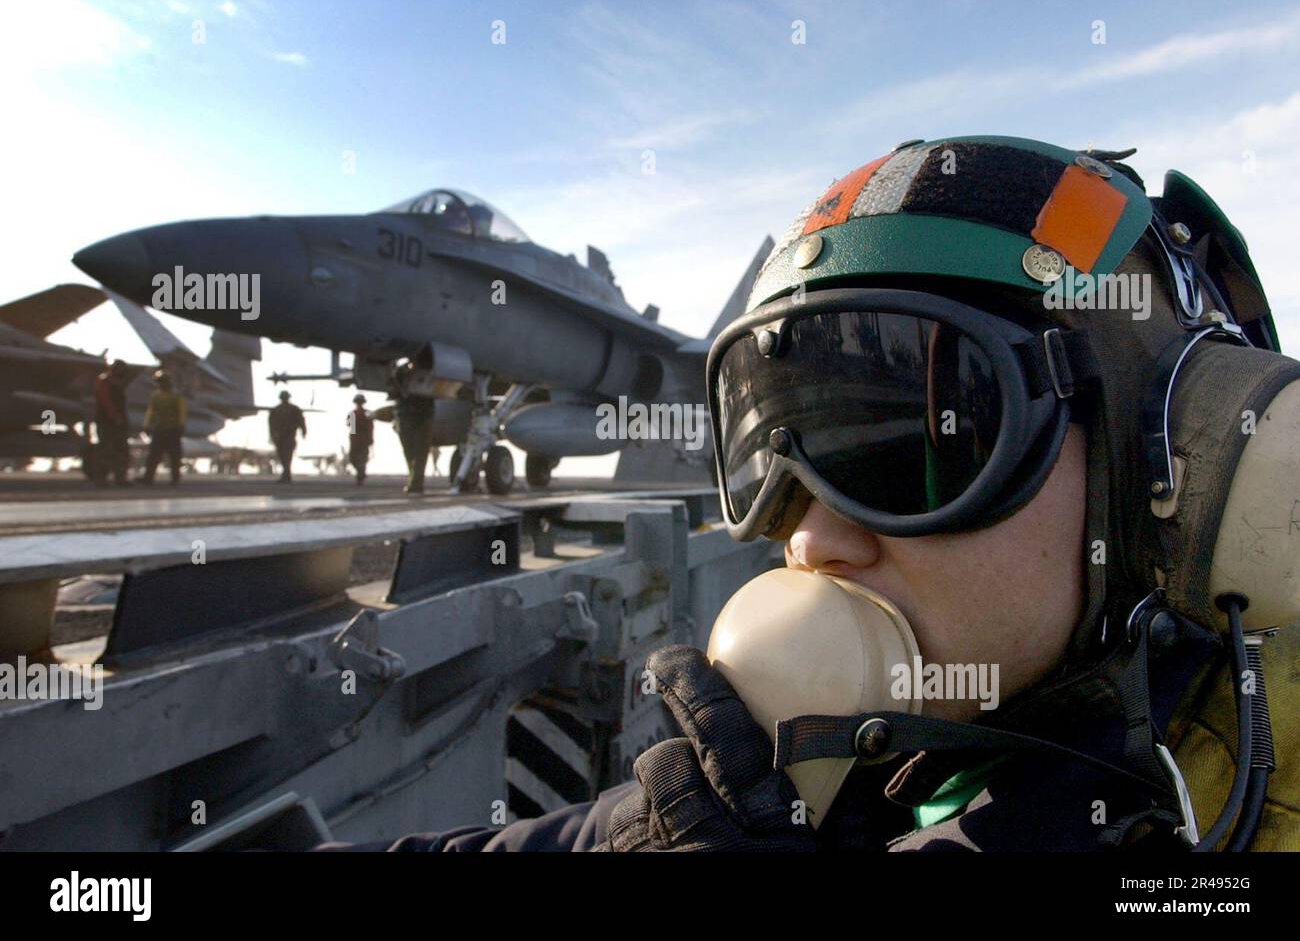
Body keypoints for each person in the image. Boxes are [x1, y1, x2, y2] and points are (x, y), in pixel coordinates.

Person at [320, 137, 1298, 852]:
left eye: (915, 449)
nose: (811, 539)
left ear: (1181, 458)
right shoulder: (790, 797)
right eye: (774, 455)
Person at [392, 348, 436, 494]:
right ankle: (415, 480)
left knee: (418, 452)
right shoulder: (403, 372)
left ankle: (416, 482)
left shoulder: (426, 373)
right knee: (412, 452)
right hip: (409, 416)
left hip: (418, 417)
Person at [141, 370, 186, 486]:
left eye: (162, 381)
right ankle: (148, 478)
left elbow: (182, 412)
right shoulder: (156, 396)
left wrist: (181, 426)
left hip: (172, 430)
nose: (160, 384)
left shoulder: (176, 396)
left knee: (174, 456)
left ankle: (175, 479)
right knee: (154, 456)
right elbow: (150, 412)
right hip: (159, 429)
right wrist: (146, 426)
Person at [92, 359, 132, 486]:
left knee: (121, 450)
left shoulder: (118, 383)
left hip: (117, 422)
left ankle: (120, 478)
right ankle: (101, 479)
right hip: (107, 422)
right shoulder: (104, 381)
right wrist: (115, 417)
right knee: (106, 450)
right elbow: (106, 401)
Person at [268, 389, 307, 483]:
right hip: (281, 437)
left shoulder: (293, 409)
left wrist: (304, 431)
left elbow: (301, 421)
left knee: (286, 456)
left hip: (288, 436)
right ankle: (286, 474)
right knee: (283, 456)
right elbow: (271, 424)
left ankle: (286, 475)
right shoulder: (276, 410)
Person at [347, 394, 374, 484]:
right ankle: (361, 472)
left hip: (362, 440)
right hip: (357, 440)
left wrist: (370, 439)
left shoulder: (365, 414)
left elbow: (370, 427)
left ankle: (360, 474)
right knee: (353, 459)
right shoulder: (353, 414)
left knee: (362, 459)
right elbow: (351, 427)